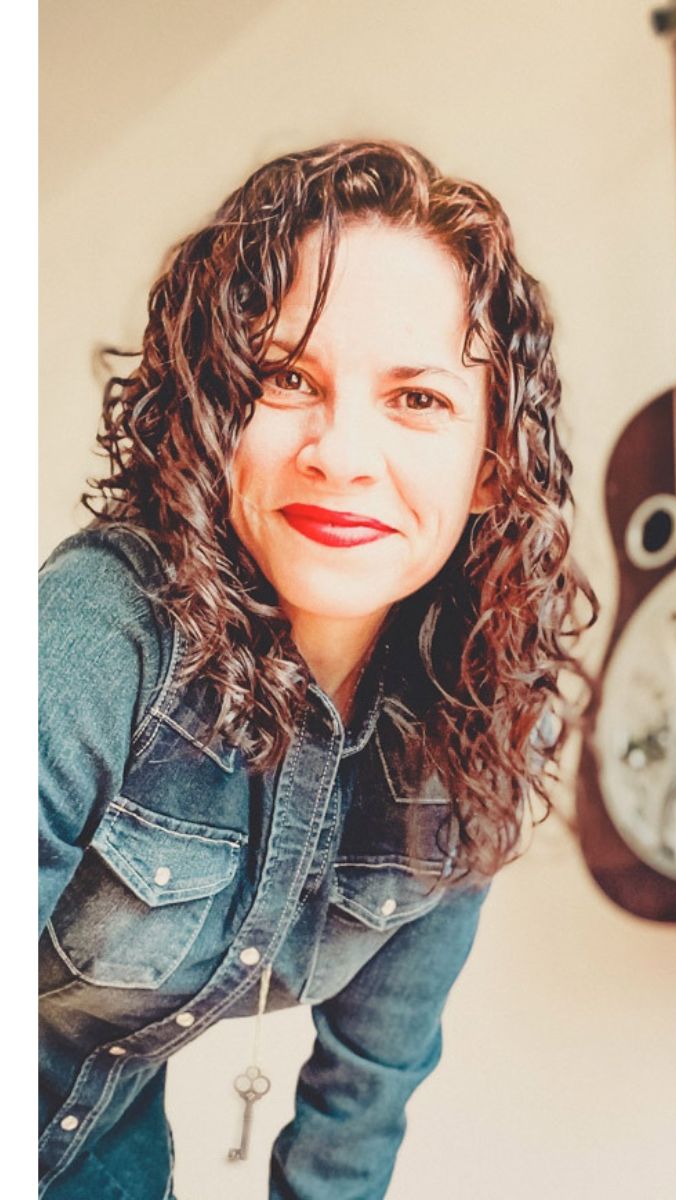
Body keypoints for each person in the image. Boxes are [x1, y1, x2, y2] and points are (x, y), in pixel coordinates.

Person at [38, 140, 596, 1199]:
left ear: (493, 465)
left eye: (419, 399)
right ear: (215, 417)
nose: (340, 453)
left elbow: (361, 1107)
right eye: (288, 378)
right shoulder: (92, 638)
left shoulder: (479, 724)